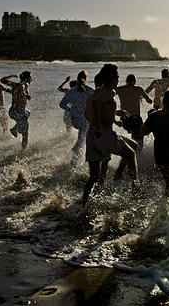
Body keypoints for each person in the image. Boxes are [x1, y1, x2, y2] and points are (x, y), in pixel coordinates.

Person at [82, 63, 138, 204]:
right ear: (113, 79)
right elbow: (96, 104)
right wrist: (101, 127)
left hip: (91, 135)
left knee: (93, 177)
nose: (118, 80)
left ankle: (84, 204)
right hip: (104, 133)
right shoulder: (110, 92)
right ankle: (135, 190)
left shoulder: (95, 92)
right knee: (131, 154)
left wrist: (113, 114)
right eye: (117, 77)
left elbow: (87, 114)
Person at [59, 71, 93, 167]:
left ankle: (75, 149)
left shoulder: (71, 91)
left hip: (74, 120)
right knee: (83, 138)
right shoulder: (90, 90)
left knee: (82, 137)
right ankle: (74, 161)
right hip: (85, 120)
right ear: (86, 79)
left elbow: (61, 105)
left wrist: (71, 109)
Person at [116, 74, 152, 144]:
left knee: (134, 134)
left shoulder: (120, 89)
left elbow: (109, 94)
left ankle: (131, 146)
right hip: (135, 119)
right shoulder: (138, 89)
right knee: (139, 136)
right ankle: (137, 152)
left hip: (124, 119)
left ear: (126, 81)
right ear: (135, 81)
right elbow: (149, 101)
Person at [2, 71, 32, 150]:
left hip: (12, 111)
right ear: (27, 78)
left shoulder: (15, 85)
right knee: (25, 134)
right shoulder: (24, 85)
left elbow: (2, 80)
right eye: (31, 77)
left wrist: (11, 75)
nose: (32, 79)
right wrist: (26, 95)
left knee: (28, 112)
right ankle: (23, 152)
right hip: (19, 113)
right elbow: (22, 87)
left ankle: (14, 128)